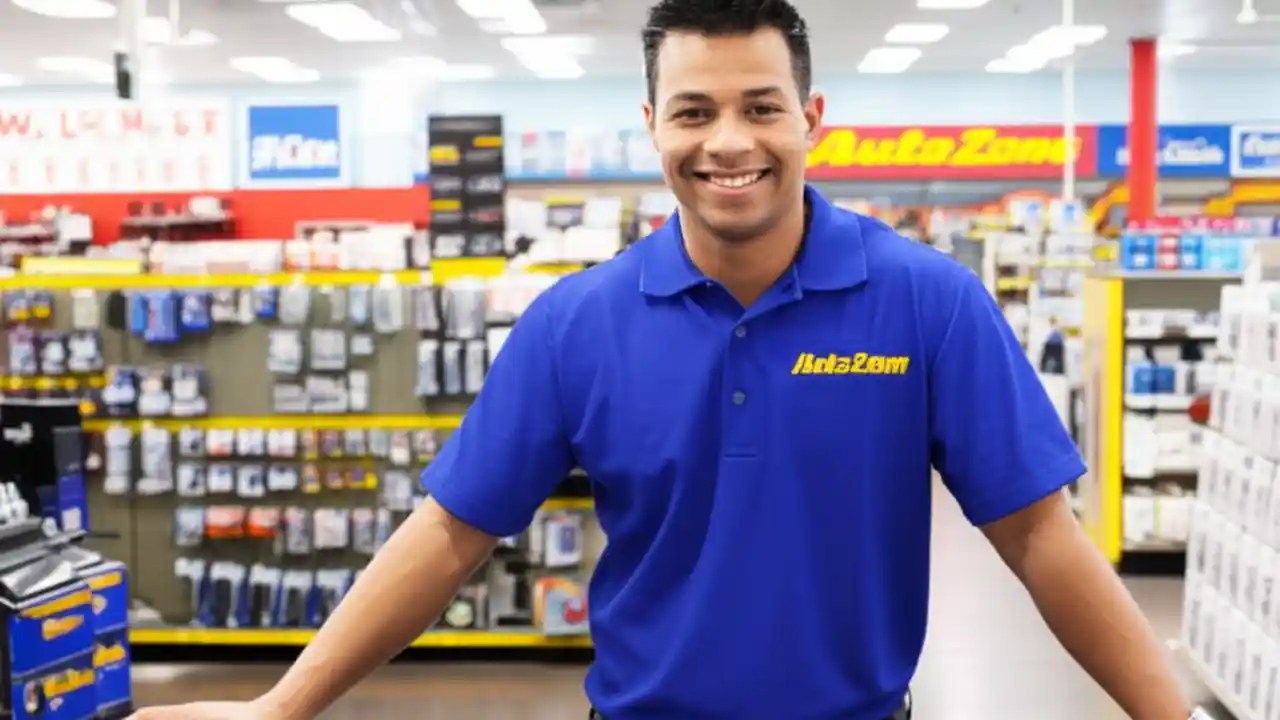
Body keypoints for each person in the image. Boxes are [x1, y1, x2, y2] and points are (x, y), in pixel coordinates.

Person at [131, 1, 1200, 718]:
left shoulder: (928, 303)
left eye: (758, 107)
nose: (726, 141)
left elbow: (1036, 536)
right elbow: (452, 533)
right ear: (652, 125)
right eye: (694, 111)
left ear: (810, 121)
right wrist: (284, 706)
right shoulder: (574, 323)